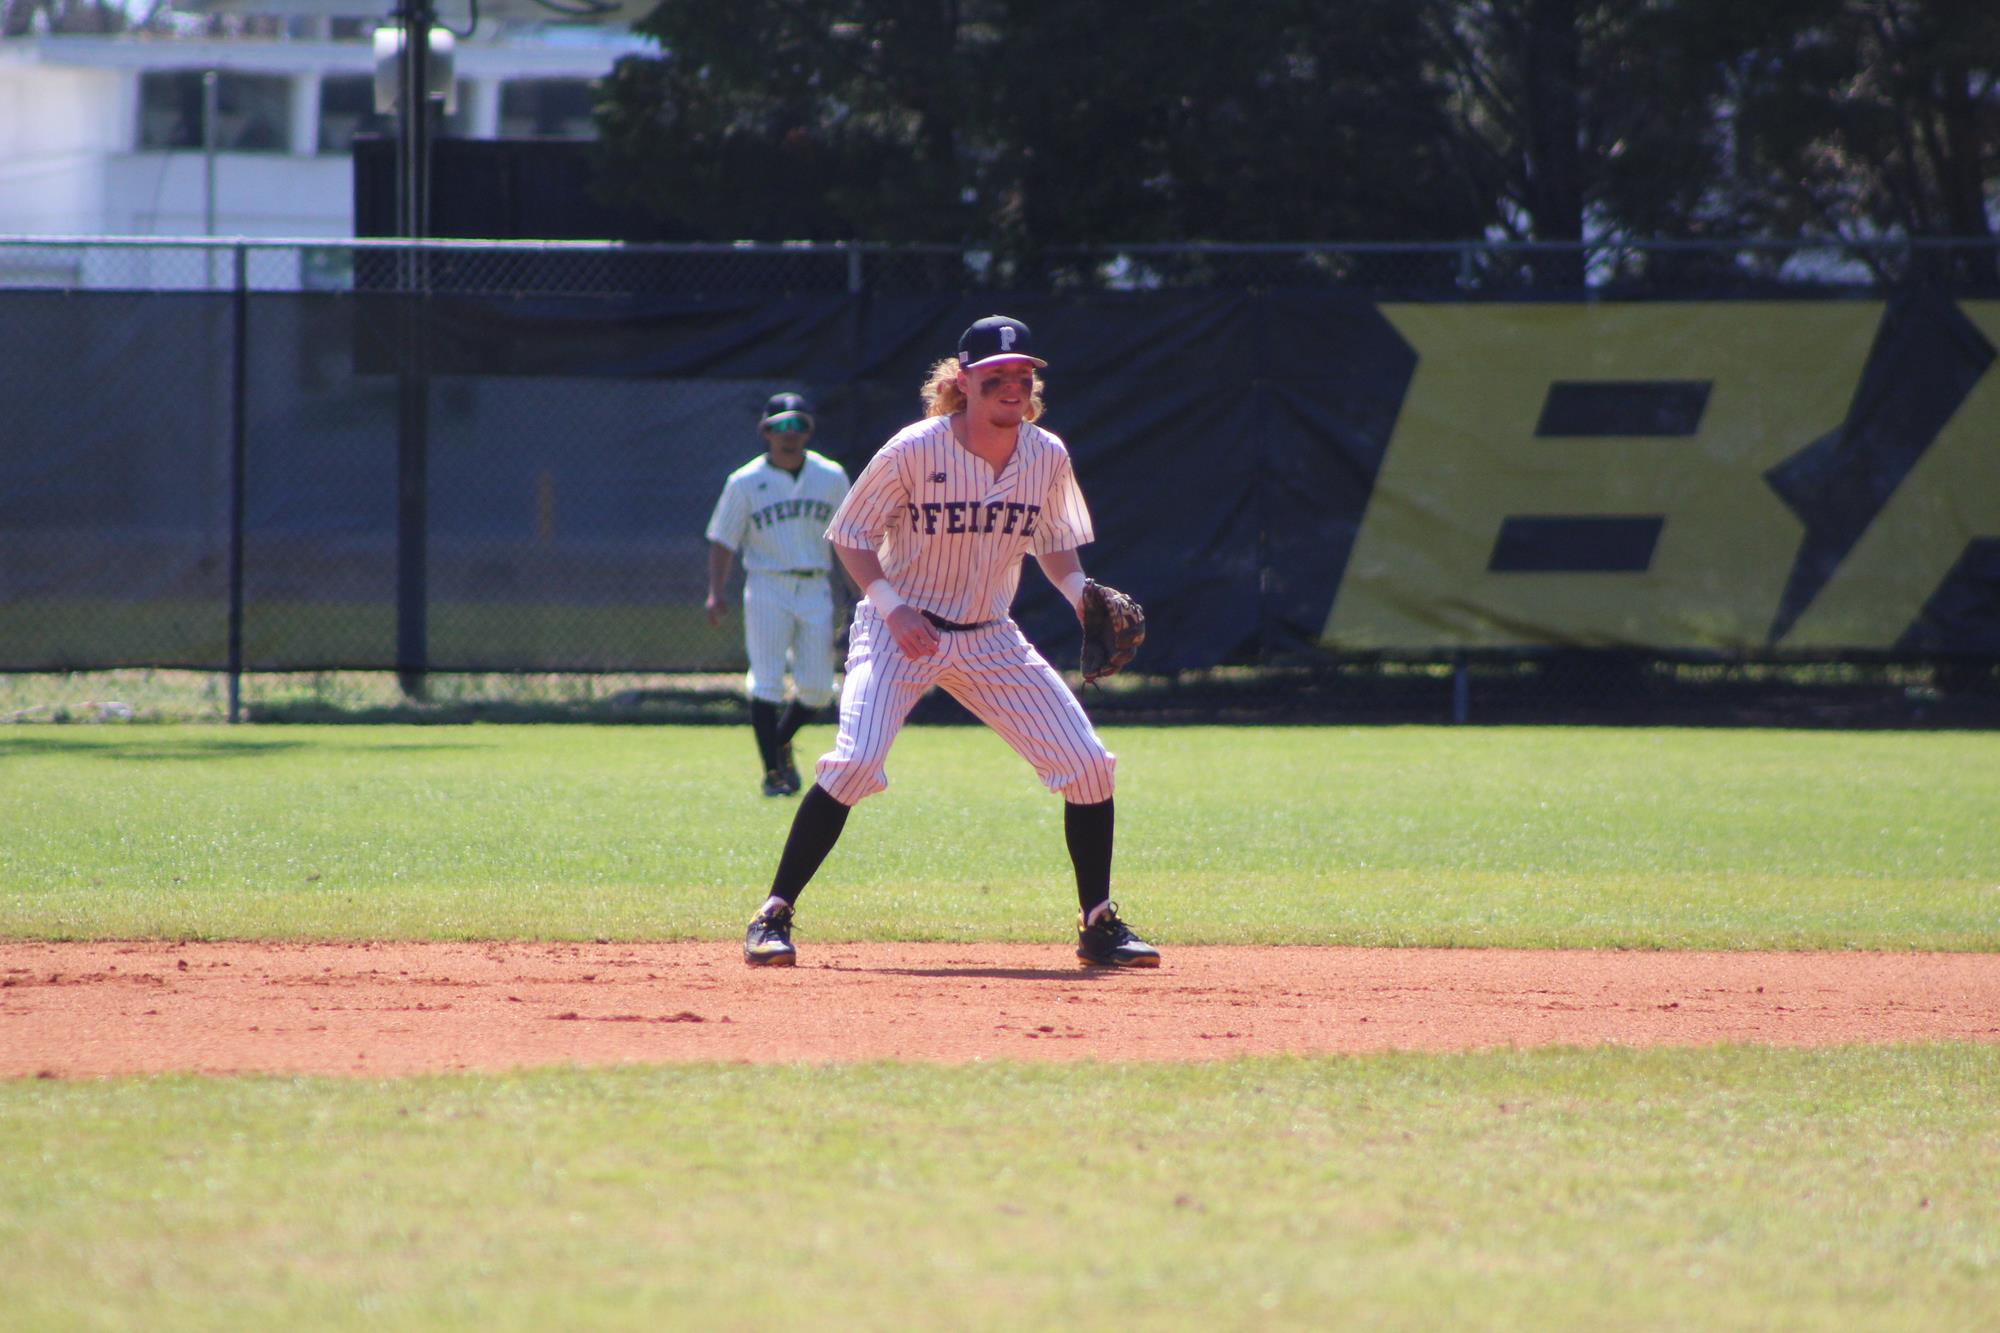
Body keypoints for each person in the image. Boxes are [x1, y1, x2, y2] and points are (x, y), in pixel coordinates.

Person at [741, 316, 1160, 969]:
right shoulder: (914, 449)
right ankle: (773, 914)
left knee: (1088, 766)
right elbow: (851, 534)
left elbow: (1055, 545)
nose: (1013, 388)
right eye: (997, 378)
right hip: (897, 628)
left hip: (990, 634)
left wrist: (1083, 596)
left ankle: (1097, 924)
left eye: (1023, 376)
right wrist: (892, 606)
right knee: (853, 763)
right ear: (963, 382)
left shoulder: (1045, 454)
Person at [705, 392, 852, 796]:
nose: (790, 434)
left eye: (798, 424)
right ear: (765, 431)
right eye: (781, 426)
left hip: (814, 585)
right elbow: (722, 540)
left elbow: (848, 539)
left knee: (819, 688)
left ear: (810, 429)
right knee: (767, 681)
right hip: (768, 584)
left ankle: (781, 739)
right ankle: (773, 772)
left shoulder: (830, 476)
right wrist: (716, 593)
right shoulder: (745, 481)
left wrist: (858, 592)